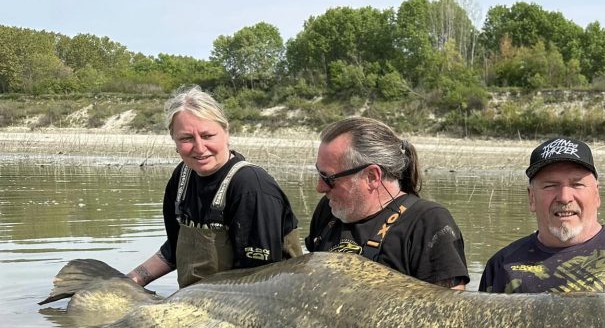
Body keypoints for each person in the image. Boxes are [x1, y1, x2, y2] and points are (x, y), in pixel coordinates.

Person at [127, 85, 302, 288]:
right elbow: (174, 248)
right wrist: (131, 281)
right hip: (199, 296)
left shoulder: (251, 187)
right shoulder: (181, 177)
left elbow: (259, 278)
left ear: (226, 133)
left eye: (207, 135)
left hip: (261, 295)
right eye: (186, 138)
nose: (200, 148)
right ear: (174, 140)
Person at [479, 137, 605, 293]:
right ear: (531, 198)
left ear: (597, 195)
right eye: (550, 186)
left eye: (577, 184)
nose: (565, 197)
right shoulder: (502, 265)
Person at [305, 117, 469, 289]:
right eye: (319, 173)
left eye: (328, 178)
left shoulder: (428, 223)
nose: (320, 188)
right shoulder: (329, 209)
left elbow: (450, 304)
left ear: (372, 177)